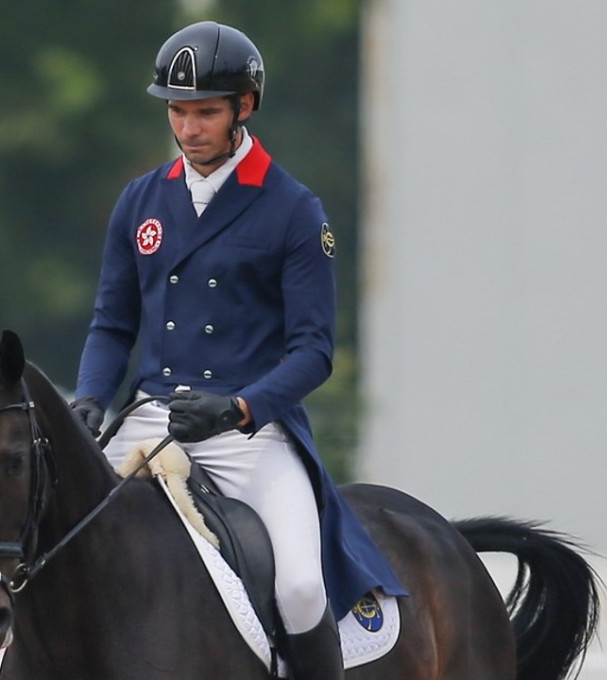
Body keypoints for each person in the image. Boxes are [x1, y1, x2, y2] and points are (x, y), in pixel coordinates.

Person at [71, 21, 405, 680]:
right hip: (149, 421)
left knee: (301, 588)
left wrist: (238, 408)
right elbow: (112, 326)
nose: (188, 128)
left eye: (205, 113)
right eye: (177, 111)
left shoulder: (292, 209)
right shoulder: (141, 201)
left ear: (243, 106)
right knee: (60, 539)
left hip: (248, 433)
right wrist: (89, 398)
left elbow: (314, 350)